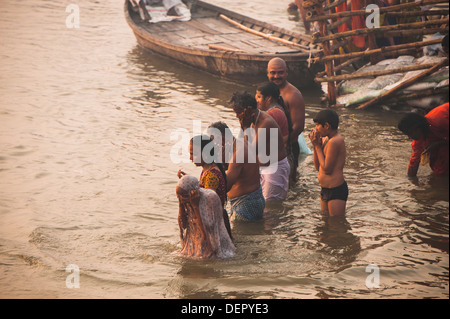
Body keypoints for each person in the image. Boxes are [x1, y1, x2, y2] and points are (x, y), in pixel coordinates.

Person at [230, 91, 290, 202]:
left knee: (270, 209)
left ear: (248, 109)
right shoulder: (252, 120)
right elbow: (243, 146)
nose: (237, 116)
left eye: (238, 112)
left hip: (274, 170)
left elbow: (250, 152)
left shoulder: (265, 123)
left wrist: (245, 127)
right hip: (261, 168)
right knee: (262, 206)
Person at [177, 135, 232, 237]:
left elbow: (208, 203)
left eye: (193, 154)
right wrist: (188, 181)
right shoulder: (207, 170)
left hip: (214, 224)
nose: (190, 158)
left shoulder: (211, 175)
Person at [210, 121, 265, 221]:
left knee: (241, 236)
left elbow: (225, 186)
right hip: (253, 199)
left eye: (214, 141)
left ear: (221, 138)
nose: (214, 145)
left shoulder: (238, 154)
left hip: (245, 204)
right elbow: (234, 170)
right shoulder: (242, 143)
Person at [176, 175, 235, 259]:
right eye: (178, 196)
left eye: (183, 195)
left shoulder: (210, 197)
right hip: (195, 242)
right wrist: (180, 204)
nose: (181, 198)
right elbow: (183, 226)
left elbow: (209, 228)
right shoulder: (185, 199)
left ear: (193, 192)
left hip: (212, 241)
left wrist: (195, 206)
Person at [267, 57, 305, 184]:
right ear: (267, 73)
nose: (276, 76)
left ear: (286, 73)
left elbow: (298, 127)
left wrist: (281, 144)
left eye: (280, 72)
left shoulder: (293, 95)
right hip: (271, 147)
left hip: (288, 146)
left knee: (288, 184)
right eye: (273, 72)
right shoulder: (266, 92)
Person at [308, 109, 348, 216]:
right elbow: (318, 167)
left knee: (335, 226)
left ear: (326, 126)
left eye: (317, 125)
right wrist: (316, 146)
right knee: (325, 225)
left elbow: (327, 169)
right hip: (325, 189)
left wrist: (317, 146)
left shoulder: (335, 141)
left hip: (336, 189)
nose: (316, 128)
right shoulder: (326, 139)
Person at [397, 103, 449, 177]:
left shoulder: (439, 122)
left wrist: (438, 144)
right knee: (440, 169)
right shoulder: (418, 142)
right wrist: (410, 182)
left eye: (410, 133)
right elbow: (414, 162)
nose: (409, 137)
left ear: (418, 128)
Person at [255, 81, 292, 150]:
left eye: (259, 97)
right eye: (256, 97)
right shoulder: (277, 109)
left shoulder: (272, 114)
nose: (256, 100)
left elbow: (259, 142)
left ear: (269, 98)